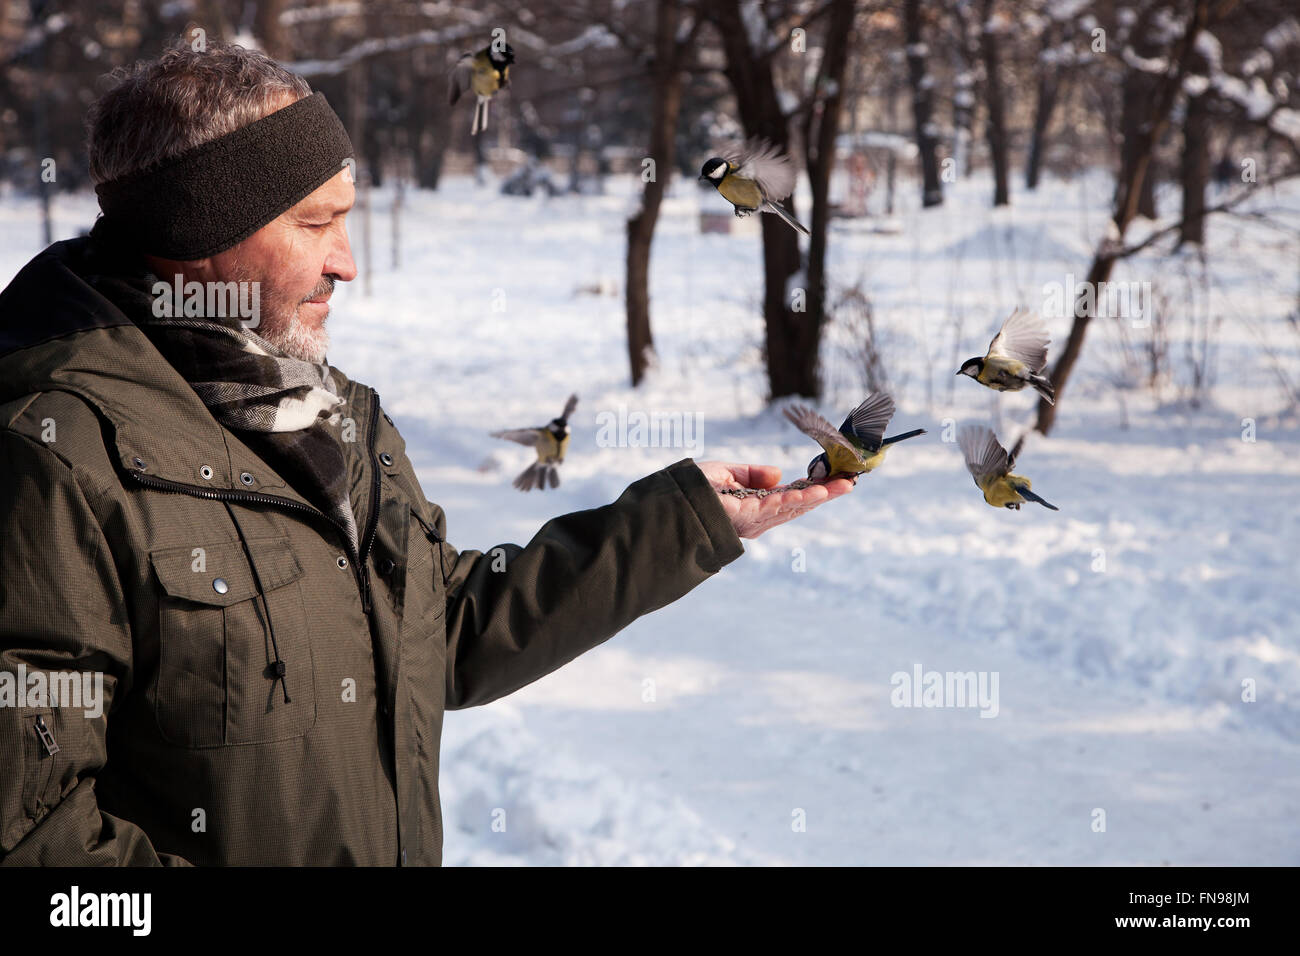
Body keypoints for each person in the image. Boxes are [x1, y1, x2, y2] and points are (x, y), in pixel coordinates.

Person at [0, 42, 850, 866]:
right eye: (316, 222)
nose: (348, 262)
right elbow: (34, 840)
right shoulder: (53, 456)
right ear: (199, 230)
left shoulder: (323, 415)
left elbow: (432, 631)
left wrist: (679, 523)